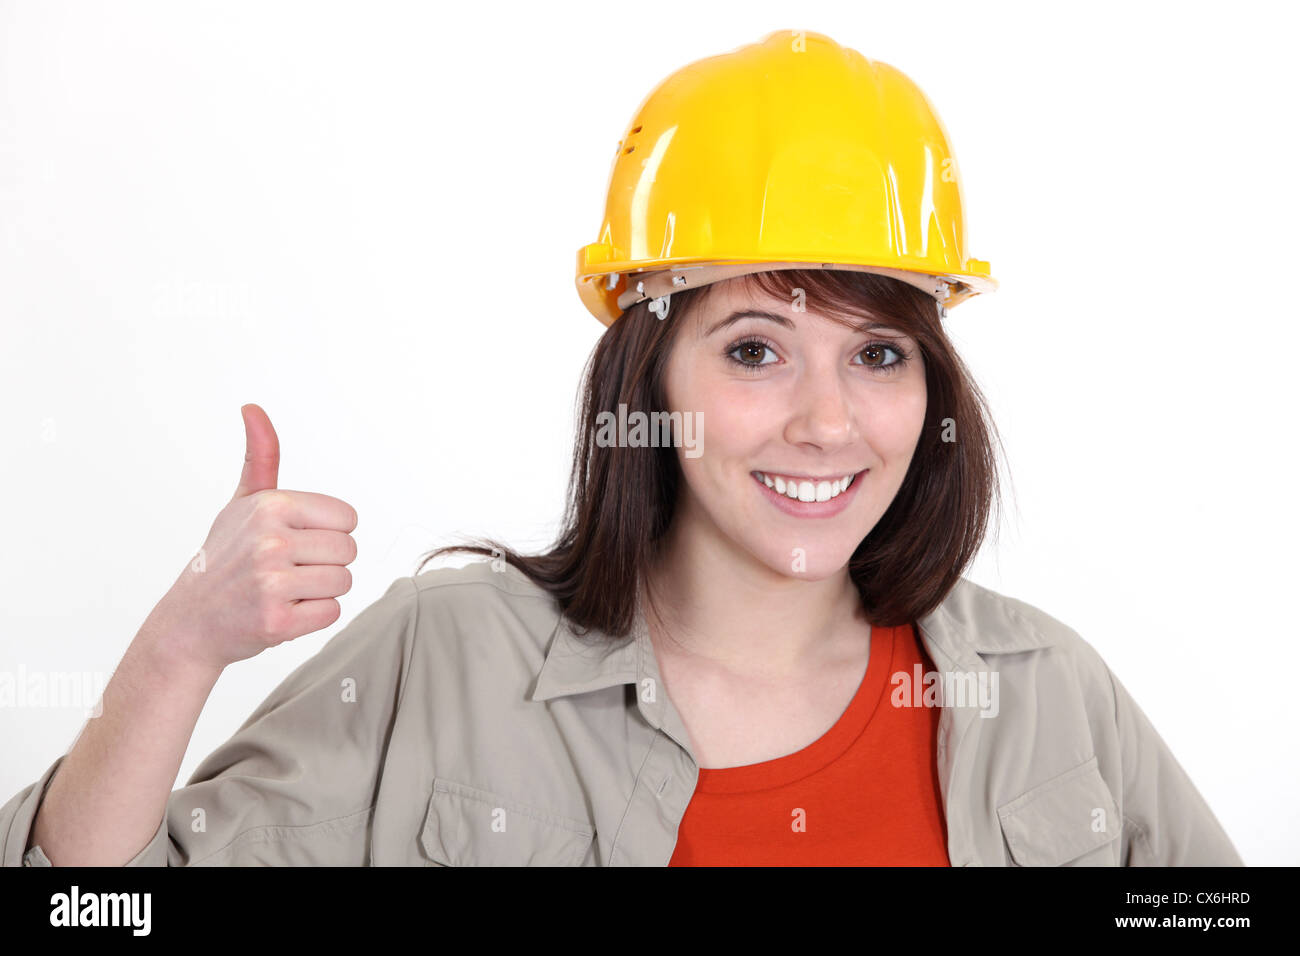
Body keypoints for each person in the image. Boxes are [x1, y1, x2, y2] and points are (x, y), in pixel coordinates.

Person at [0, 29, 1242, 867]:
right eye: (755, 349)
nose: (826, 419)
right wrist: (178, 649)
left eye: (878, 353)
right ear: (648, 374)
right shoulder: (451, 657)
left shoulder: (1038, 690)